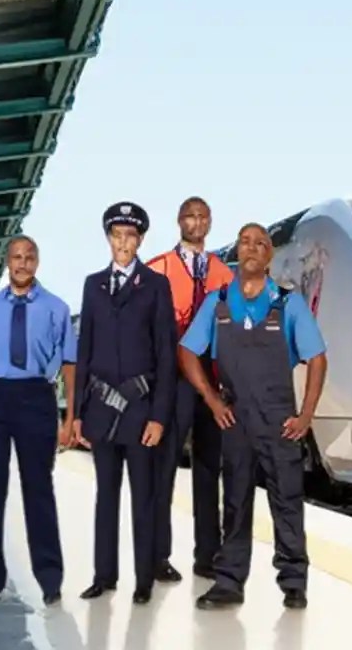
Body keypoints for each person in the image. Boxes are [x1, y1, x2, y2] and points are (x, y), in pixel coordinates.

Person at [178, 222, 327, 610]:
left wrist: (306, 415)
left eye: (261, 244)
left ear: (269, 257)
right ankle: (229, 582)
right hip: (236, 416)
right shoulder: (218, 302)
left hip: (279, 420)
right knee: (236, 501)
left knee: (287, 500)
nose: (252, 248)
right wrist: (212, 400)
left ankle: (294, 582)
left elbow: (317, 359)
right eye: (245, 242)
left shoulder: (288, 304)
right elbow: (187, 351)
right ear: (238, 252)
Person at [73, 202, 177, 605]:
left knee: (143, 498)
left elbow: (166, 355)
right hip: (100, 412)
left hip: (139, 412)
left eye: (130, 236)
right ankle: (104, 576)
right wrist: (77, 413)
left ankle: (144, 580)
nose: (123, 243)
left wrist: (159, 416)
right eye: (117, 235)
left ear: (140, 240)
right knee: (105, 497)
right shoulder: (92, 285)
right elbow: (84, 352)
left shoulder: (155, 286)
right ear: (108, 239)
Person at [0, 235, 77, 607]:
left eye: (29, 257)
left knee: (38, 488)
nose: (23, 263)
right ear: (7, 262)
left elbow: (70, 363)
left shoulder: (57, 309)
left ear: (37, 262)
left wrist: (70, 414)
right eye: (16, 257)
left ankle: (49, 578)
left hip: (36, 398)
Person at [144, 197, 234, 582]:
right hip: (172, 382)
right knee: (162, 470)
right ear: (179, 221)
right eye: (189, 216)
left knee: (209, 470)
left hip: (211, 383)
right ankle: (156, 556)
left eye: (202, 217)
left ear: (210, 223)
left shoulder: (224, 274)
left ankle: (207, 556)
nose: (196, 222)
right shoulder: (156, 270)